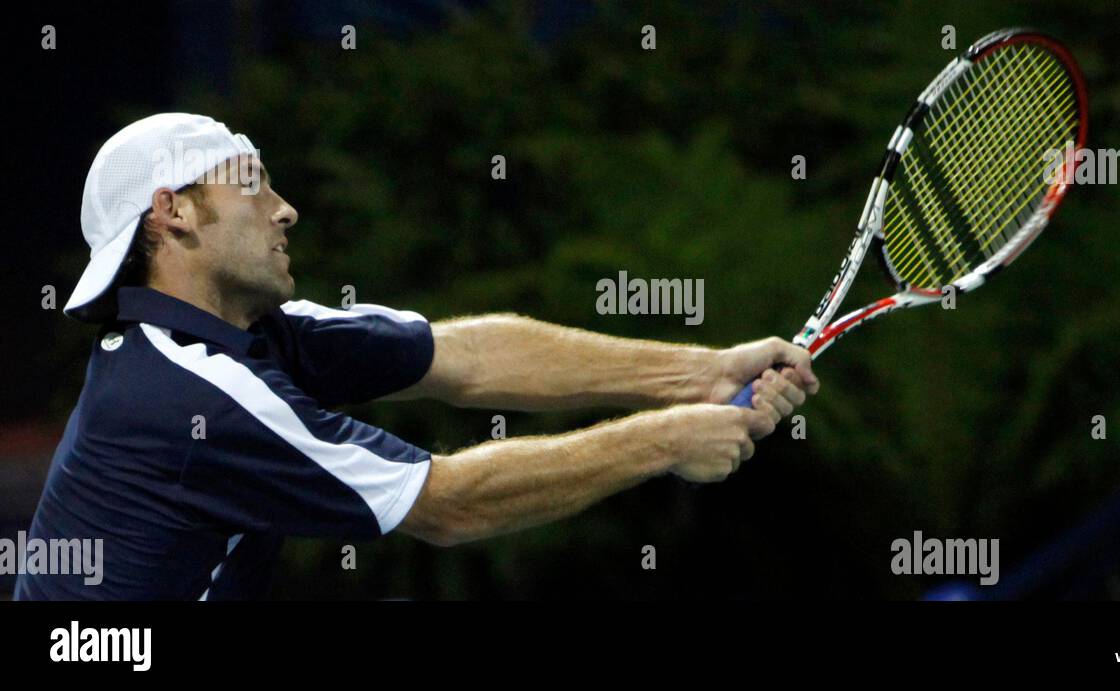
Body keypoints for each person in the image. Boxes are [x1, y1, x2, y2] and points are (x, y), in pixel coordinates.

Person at [15, 114, 818, 600]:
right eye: (253, 184)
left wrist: (702, 373)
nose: (285, 208)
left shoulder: (252, 329)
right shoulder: (190, 392)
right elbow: (448, 503)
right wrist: (668, 440)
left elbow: (464, 357)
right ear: (175, 213)